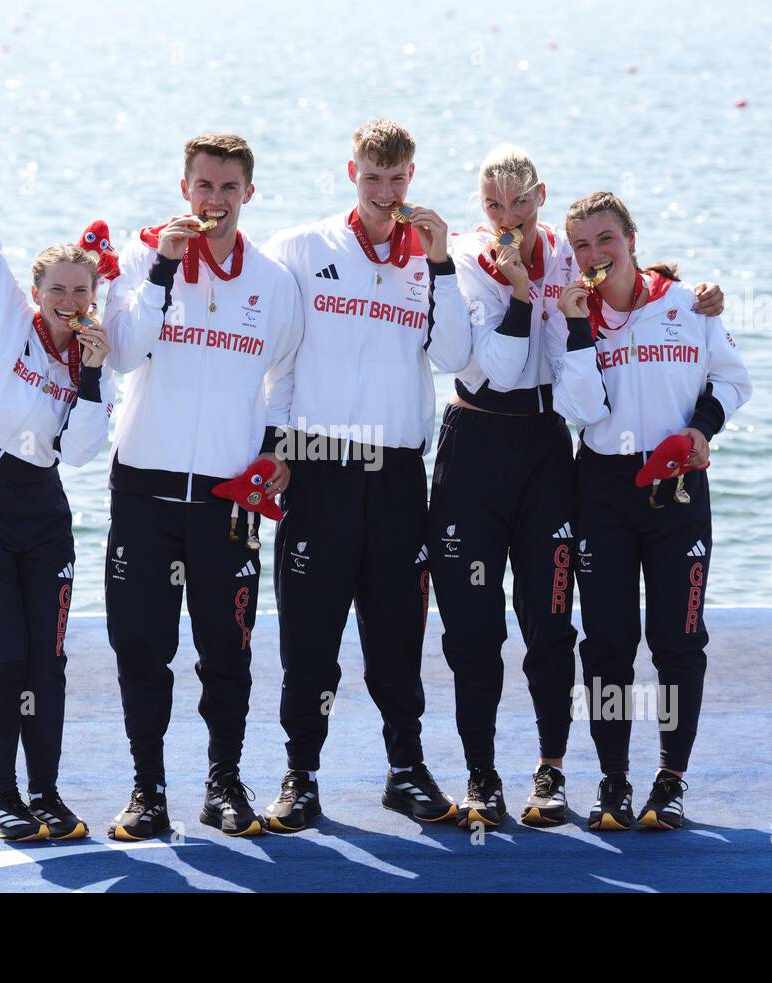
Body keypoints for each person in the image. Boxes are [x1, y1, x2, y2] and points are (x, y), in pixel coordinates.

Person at [439, 147, 724, 829]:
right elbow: (500, 368)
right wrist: (514, 288)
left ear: (540, 196)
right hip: (476, 442)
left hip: (547, 450)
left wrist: (687, 293)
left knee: (553, 626)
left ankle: (556, 769)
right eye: (494, 205)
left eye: (520, 202)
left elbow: (627, 281)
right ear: (482, 208)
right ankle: (481, 773)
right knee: (474, 631)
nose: (507, 217)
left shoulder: (570, 259)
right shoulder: (469, 259)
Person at [0, 96, 148, 840]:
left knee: (46, 661)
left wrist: (92, 378)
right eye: (55, 289)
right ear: (35, 291)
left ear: (95, 299)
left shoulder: (90, 363)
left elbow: (84, 451)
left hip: (43, 511)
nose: (67, 301)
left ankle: (47, 793)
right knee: (2, 658)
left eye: (80, 291)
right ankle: (1, 799)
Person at [260, 119, 471, 832]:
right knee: (309, 639)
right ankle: (302, 775)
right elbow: (276, 359)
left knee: (397, 634)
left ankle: (405, 770)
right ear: (352, 171)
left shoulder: (434, 256)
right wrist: (274, 447)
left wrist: (441, 264)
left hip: (397, 471)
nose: (385, 193)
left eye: (397, 179)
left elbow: (453, 357)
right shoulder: (299, 248)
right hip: (317, 466)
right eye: (372, 179)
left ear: (412, 176)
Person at [101, 134, 302, 840]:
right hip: (145, 488)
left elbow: (285, 376)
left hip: (226, 499)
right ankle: (148, 788)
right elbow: (123, 352)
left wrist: (277, 449)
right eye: (203, 187)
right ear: (184, 187)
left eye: (228, 189)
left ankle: (223, 781)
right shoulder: (139, 256)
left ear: (249, 193)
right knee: (143, 648)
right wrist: (162, 268)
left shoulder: (275, 283)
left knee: (228, 650)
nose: (214, 202)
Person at [552, 191, 751, 831]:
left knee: (678, 640)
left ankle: (670, 780)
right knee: (608, 642)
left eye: (604, 239)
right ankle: (612, 782)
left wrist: (702, 430)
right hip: (605, 488)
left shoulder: (689, 302)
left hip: (679, 487)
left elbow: (733, 379)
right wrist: (581, 330)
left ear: (631, 239)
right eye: (580, 245)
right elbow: (584, 412)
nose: (594, 254)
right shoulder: (572, 319)